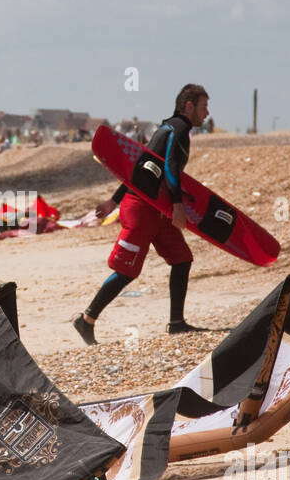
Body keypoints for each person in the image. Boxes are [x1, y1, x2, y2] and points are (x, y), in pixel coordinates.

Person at [73, 83, 210, 345]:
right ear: (189, 106)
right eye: (203, 107)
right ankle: (86, 319)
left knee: (181, 259)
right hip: (142, 208)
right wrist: (179, 205)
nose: (207, 113)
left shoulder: (167, 128)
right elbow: (169, 166)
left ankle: (177, 323)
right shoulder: (178, 129)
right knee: (127, 269)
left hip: (158, 207)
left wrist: (113, 201)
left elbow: (142, 170)